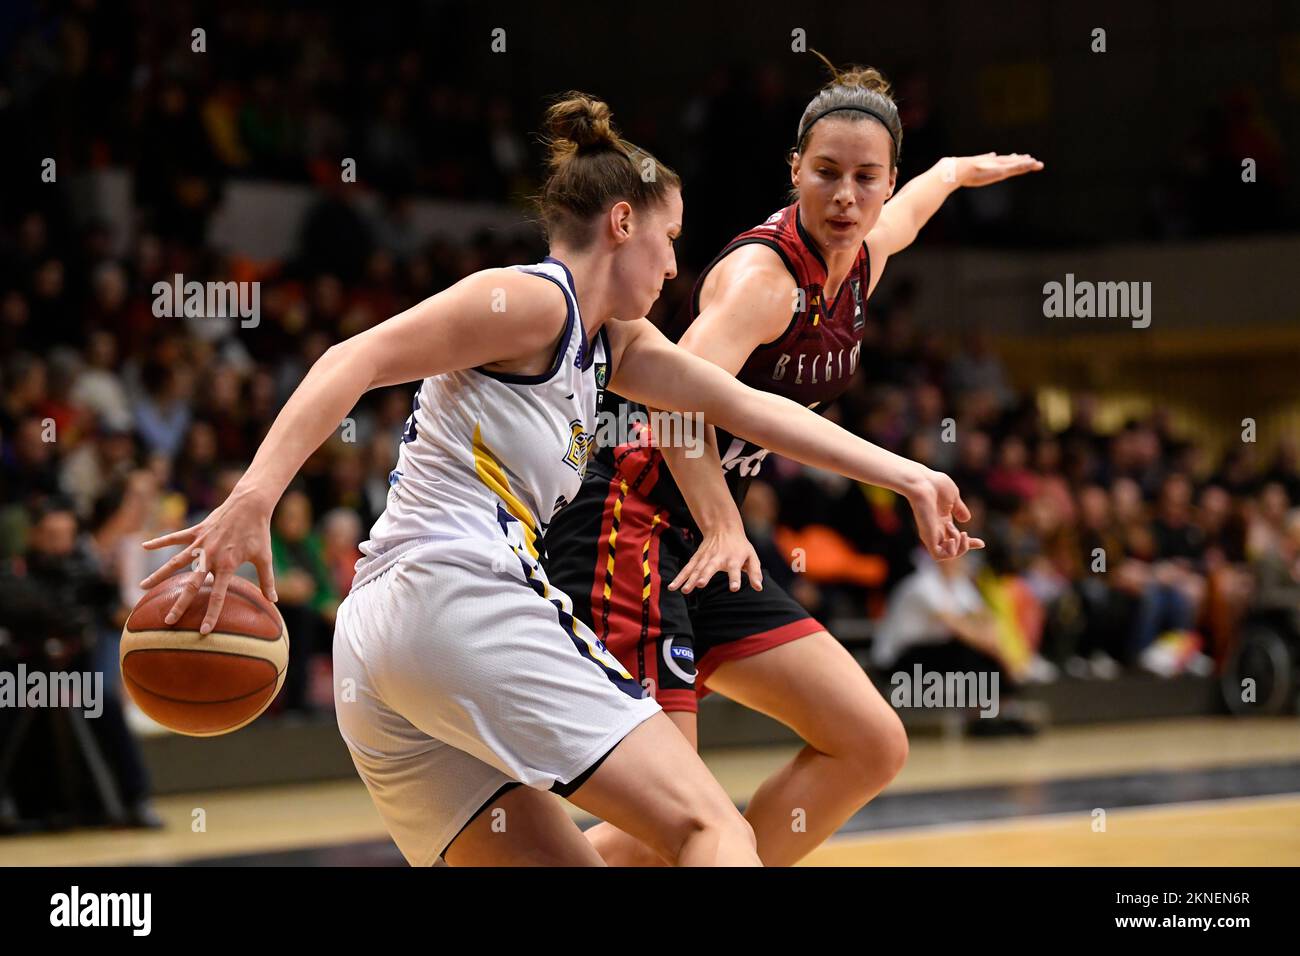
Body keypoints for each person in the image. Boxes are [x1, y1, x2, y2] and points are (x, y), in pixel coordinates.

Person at [141, 92, 980, 867]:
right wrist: (253, 498)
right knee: (710, 827)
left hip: (380, 652)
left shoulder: (614, 344)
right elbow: (355, 357)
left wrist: (907, 474)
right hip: (458, 597)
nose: (673, 263)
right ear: (623, 221)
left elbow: (750, 409)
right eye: (671, 237)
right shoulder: (531, 302)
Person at [544, 58, 1040, 865]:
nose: (846, 196)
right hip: (625, 524)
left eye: (866, 178)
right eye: (826, 174)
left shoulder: (865, 253)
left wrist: (955, 173)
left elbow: (913, 210)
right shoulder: (763, 281)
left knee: (869, 742)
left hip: (704, 540)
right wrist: (723, 521)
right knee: (679, 812)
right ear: (794, 173)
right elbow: (671, 406)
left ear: (887, 182)